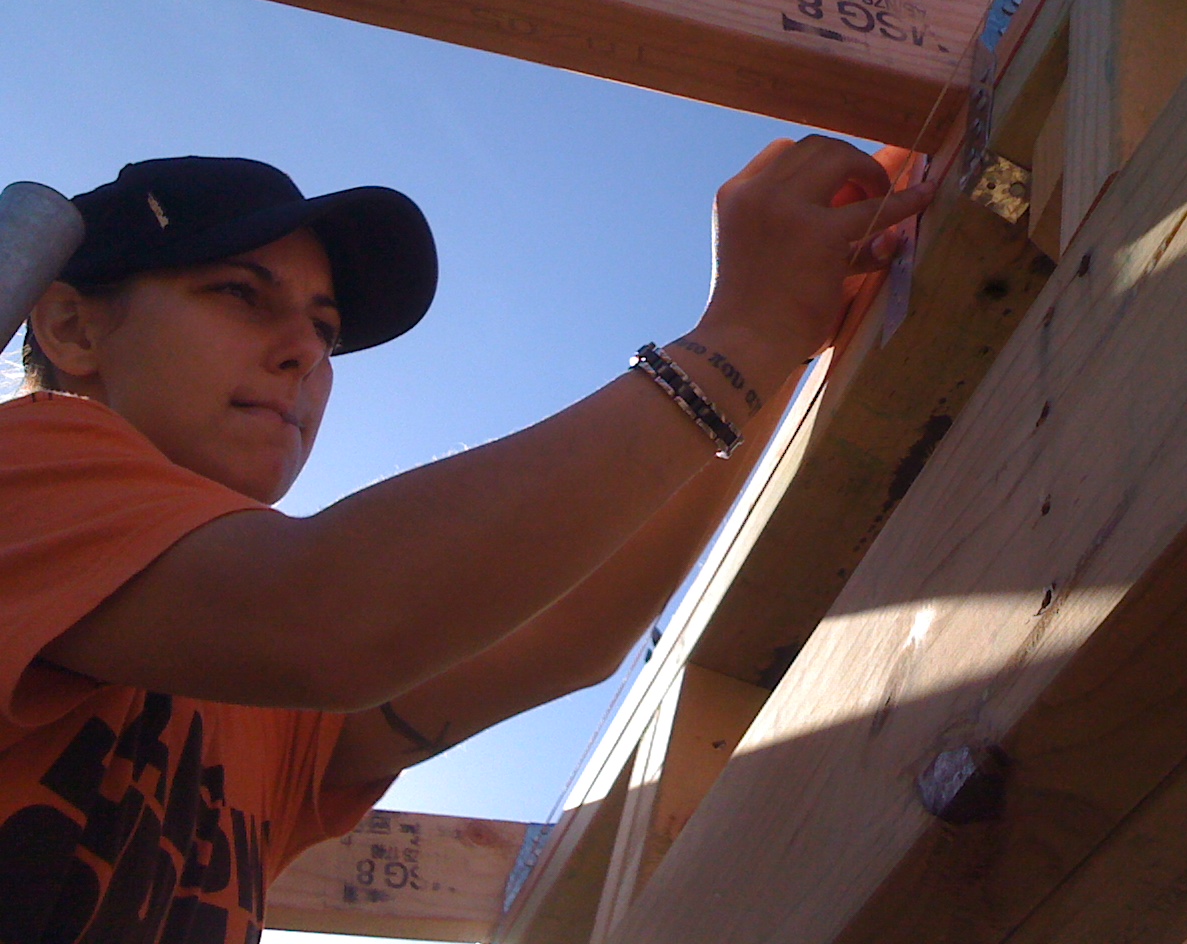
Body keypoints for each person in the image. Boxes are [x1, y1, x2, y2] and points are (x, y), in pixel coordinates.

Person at [0, 138, 932, 943]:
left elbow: (569, 630)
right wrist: (746, 336)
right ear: (73, 324)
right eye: (243, 295)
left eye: (324, 330)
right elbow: (330, 615)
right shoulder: (23, 467)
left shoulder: (253, 698)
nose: (305, 353)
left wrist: (779, 345)